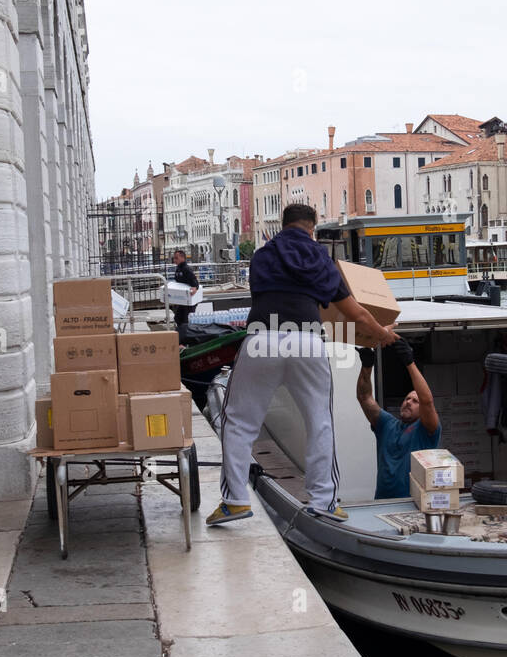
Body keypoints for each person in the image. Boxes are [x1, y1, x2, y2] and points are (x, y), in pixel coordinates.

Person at [208, 204, 398, 526]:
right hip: (308, 339)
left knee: (238, 421)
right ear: (313, 227)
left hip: (263, 336)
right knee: (320, 421)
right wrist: (382, 334)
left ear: (282, 225)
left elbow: (268, 294)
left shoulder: (263, 255)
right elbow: (356, 314)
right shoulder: (319, 258)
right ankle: (324, 501)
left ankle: (235, 500)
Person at [356, 339, 441, 499]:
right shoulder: (387, 424)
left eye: (415, 401)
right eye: (407, 398)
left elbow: (427, 401)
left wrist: (410, 363)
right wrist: (367, 367)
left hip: (412, 504)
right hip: (381, 503)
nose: (408, 402)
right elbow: (364, 396)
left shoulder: (426, 430)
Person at [170, 250, 199, 327]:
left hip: (189, 300)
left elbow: (194, 281)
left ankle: (187, 336)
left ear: (182, 258)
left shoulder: (186, 269)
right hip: (182, 299)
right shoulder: (178, 269)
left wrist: (194, 288)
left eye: (176, 258)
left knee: (186, 320)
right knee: (178, 318)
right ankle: (181, 334)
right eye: (174, 258)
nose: (174, 260)